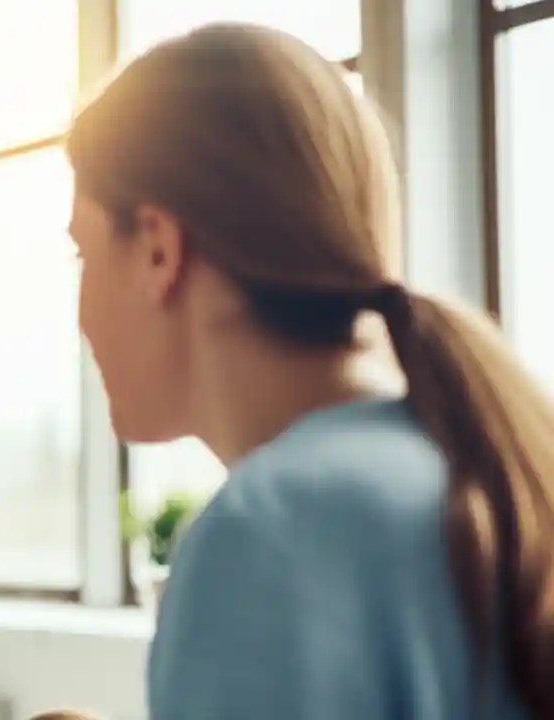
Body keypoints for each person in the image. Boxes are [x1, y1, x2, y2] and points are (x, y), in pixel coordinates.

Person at [65, 23, 550, 720]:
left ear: (157, 251)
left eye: (81, 254)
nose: (80, 314)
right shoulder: (476, 468)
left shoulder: (265, 544)